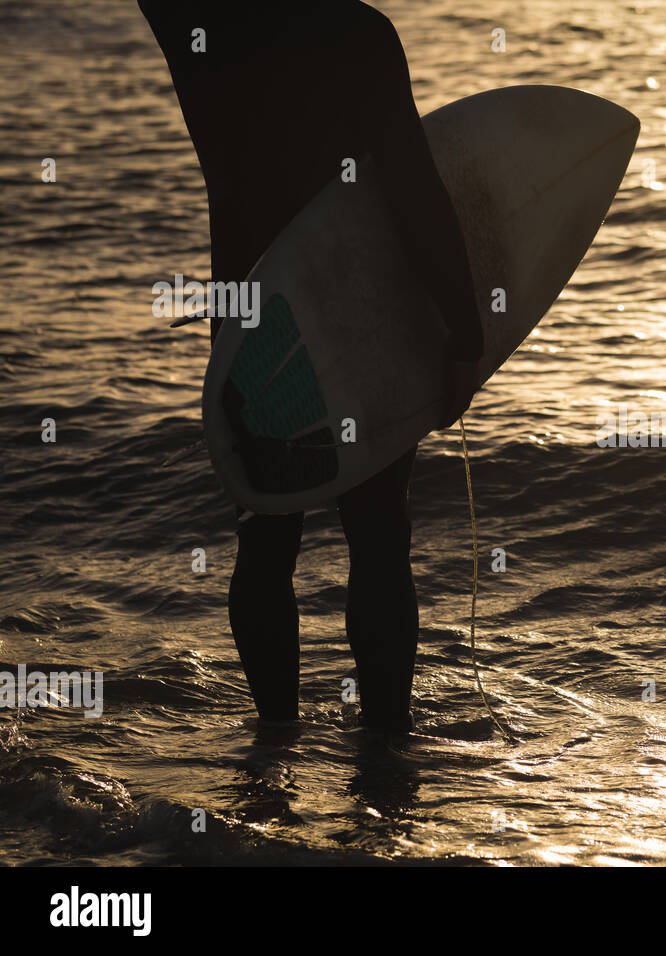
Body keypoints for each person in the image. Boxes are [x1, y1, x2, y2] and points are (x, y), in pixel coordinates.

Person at [138, 0, 483, 734]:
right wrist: (463, 329)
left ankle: (274, 752)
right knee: (380, 535)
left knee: (265, 541)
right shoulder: (355, 32)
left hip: (255, 322)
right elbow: (412, 187)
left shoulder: (203, 32)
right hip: (365, 310)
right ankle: (386, 758)